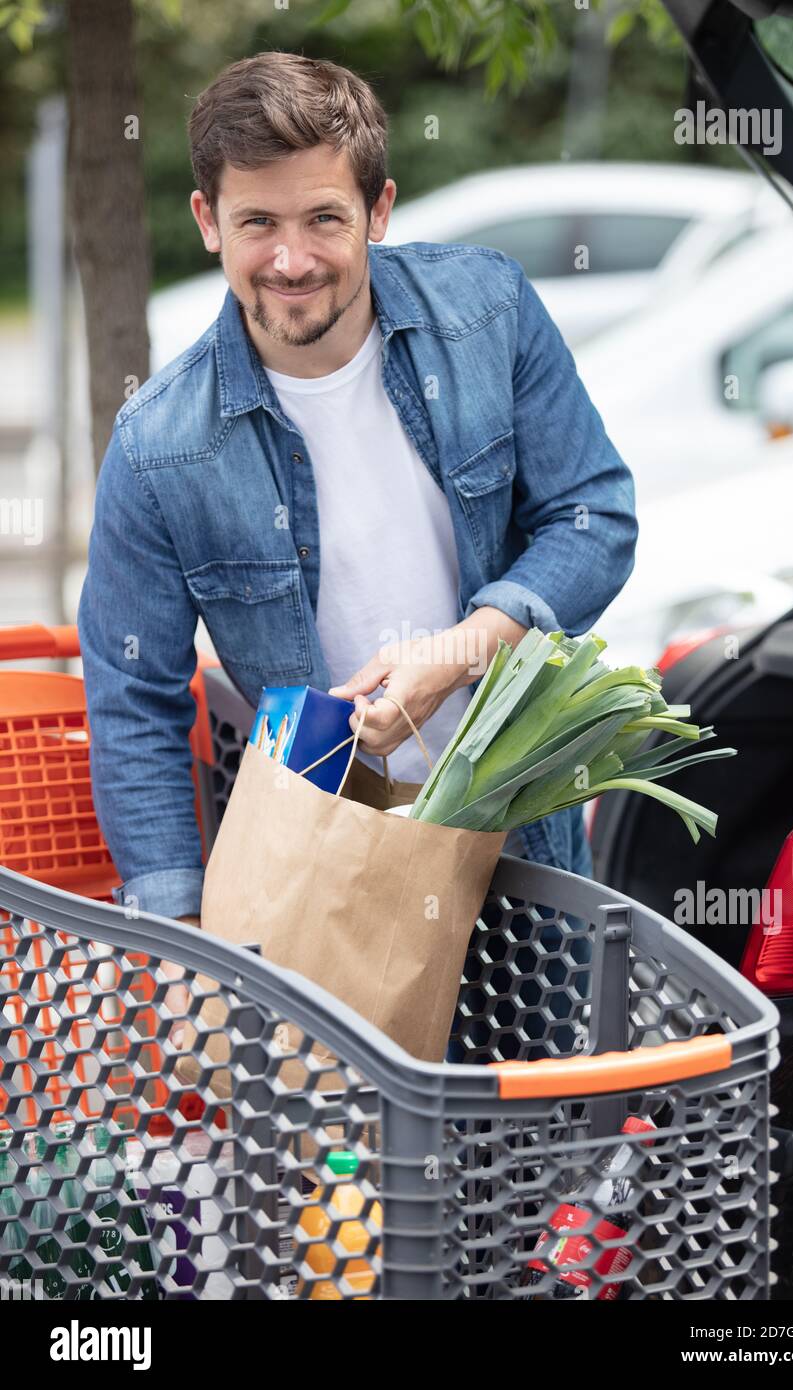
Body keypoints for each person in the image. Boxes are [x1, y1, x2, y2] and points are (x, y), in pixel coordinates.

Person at [77, 52, 638, 1039]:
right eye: (257, 222)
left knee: (543, 1150)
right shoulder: (160, 445)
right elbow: (137, 705)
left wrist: (462, 649)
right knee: (350, 1180)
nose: (291, 259)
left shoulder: (488, 314)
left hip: (522, 830)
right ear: (209, 222)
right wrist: (172, 936)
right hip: (325, 859)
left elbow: (594, 516)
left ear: (377, 210)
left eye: (323, 219)